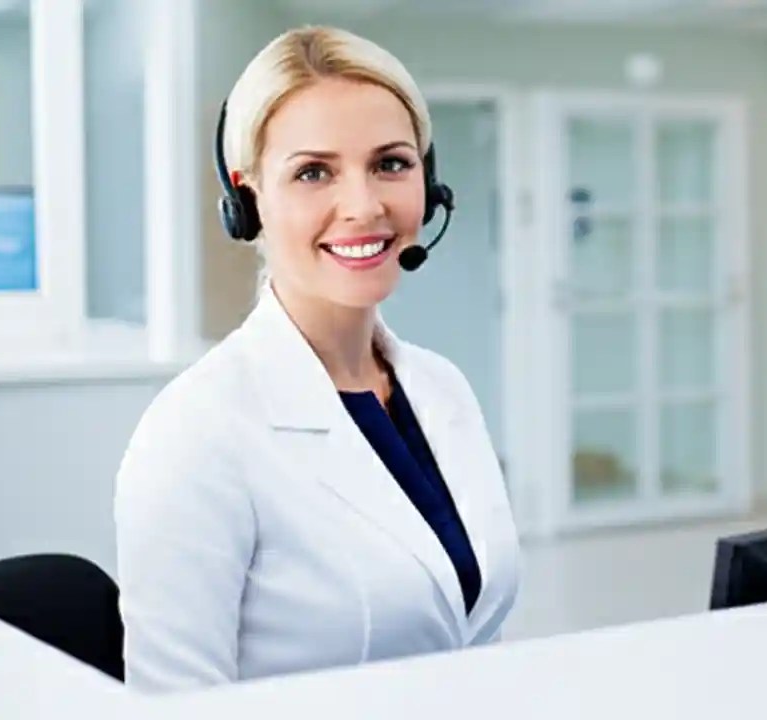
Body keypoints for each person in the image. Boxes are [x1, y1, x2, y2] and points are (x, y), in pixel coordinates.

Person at [113, 25, 521, 694]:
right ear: (247, 200)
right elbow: (176, 706)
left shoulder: (443, 389)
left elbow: (480, 633)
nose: (363, 207)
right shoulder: (195, 433)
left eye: (391, 163)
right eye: (313, 172)